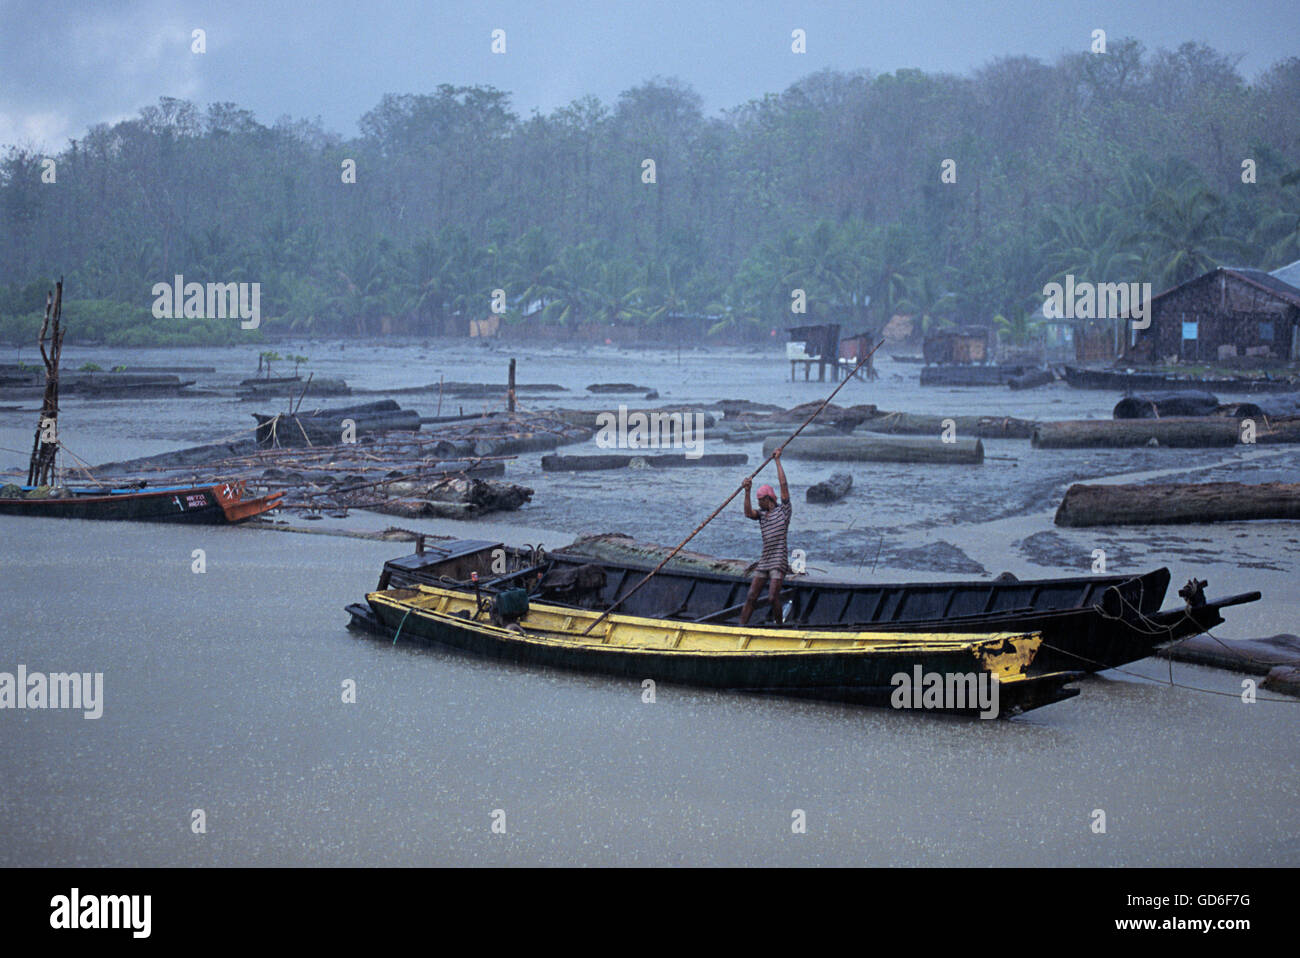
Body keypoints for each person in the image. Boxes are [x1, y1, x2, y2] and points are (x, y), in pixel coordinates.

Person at [739, 447, 792, 625]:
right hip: (765, 559)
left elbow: (784, 485)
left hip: (778, 559)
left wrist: (777, 461)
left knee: (772, 597)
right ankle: (741, 627)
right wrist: (747, 491)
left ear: (768, 499)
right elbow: (748, 513)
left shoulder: (784, 511)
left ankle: (779, 627)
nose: (758, 503)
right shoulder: (762, 515)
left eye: (760, 500)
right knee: (751, 596)